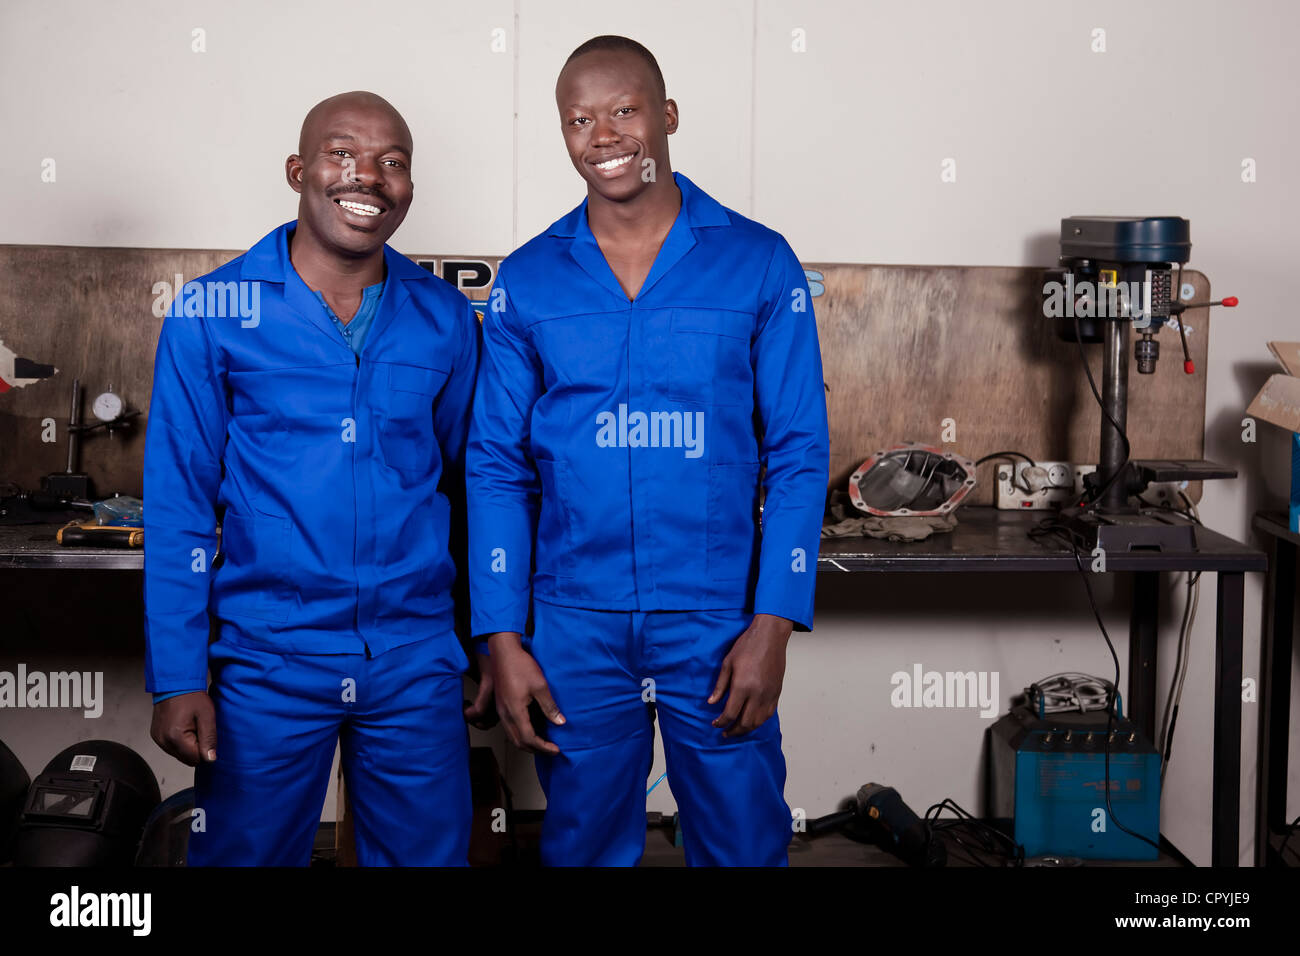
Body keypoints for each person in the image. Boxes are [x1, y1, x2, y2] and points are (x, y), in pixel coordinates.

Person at [467, 37, 830, 866]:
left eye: (624, 110)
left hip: (718, 618)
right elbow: (494, 465)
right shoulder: (528, 280)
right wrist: (499, 635)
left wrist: (773, 624)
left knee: (742, 843)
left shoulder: (758, 262)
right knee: (584, 845)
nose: (603, 135)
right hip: (573, 622)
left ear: (666, 117)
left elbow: (802, 452)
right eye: (579, 119)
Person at [143, 91, 487, 866]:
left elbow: (472, 490)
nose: (367, 176)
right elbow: (180, 505)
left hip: (415, 657)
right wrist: (175, 676)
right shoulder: (213, 313)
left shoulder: (445, 318)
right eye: (341, 154)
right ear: (298, 170)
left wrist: (484, 640)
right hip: (268, 657)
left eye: (392, 163)